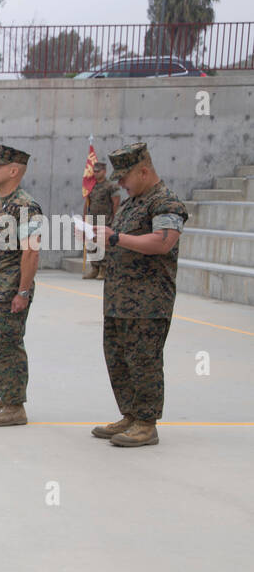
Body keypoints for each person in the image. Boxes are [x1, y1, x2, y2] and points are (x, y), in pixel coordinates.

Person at [90, 142, 188, 448]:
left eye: (124, 177)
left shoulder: (165, 201)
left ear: (143, 171)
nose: (120, 183)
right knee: (118, 358)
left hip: (148, 301)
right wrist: (102, 238)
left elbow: (162, 242)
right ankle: (130, 415)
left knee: (144, 360)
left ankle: (146, 423)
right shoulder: (133, 202)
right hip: (119, 300)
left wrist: (116, 237)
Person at [0, 144, 43, 427]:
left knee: (7, 347)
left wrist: (22, 292)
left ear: (13, 171)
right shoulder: (1, 202)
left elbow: (31, 251)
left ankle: (15, 406)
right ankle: (5, 397)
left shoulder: (25, 205)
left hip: (8, 290)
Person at [82, 160, 119, 280]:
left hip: (105, 220)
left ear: (104, 171)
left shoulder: (111, 186)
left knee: (102, 245)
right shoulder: (91, 186)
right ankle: (94, 268)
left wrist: (114, 219)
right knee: (92, 244)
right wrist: (84, 218)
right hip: (92, 219)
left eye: (98, 171)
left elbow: (115, 203)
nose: (96, 173)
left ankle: (103, 269)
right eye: (95, 171)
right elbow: (87, 203)